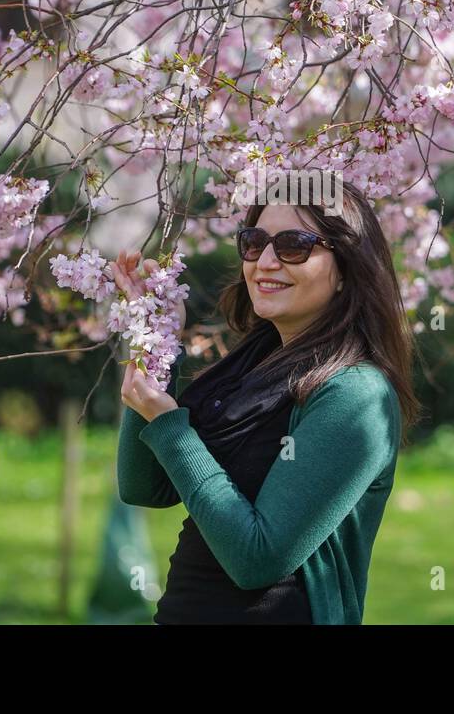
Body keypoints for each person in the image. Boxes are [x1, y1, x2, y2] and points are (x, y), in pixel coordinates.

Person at [113, 177, 422, 624]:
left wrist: (173, 429)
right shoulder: (250, 367)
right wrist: (155, 342)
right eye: (254, 243)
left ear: (347, 269)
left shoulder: (355, 394)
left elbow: (257, 558)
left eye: (294, 245)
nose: (266, 262)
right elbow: (145, 487)